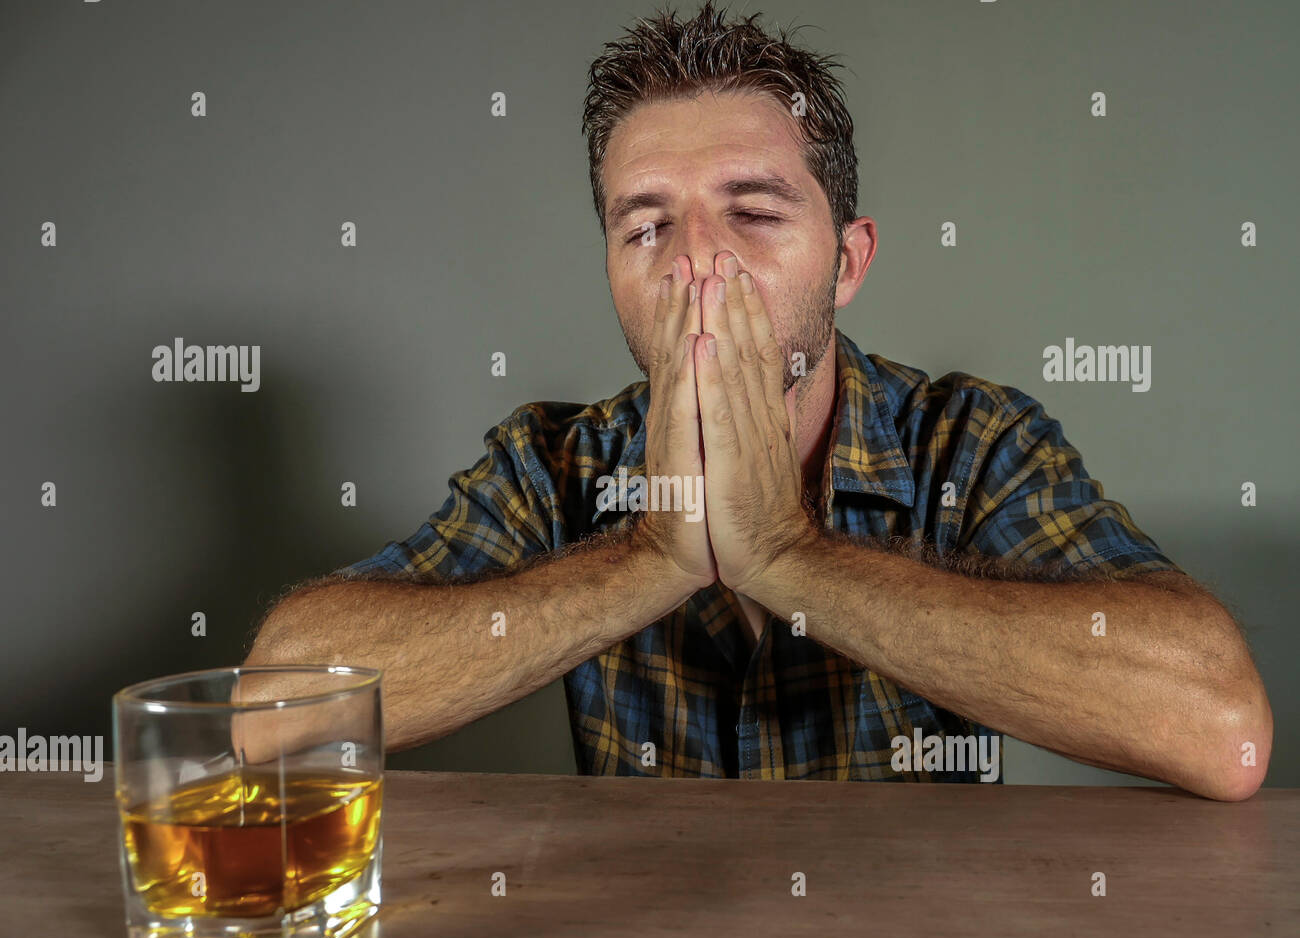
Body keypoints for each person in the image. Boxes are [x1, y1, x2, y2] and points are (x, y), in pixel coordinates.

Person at [245, 2, 1271, 798]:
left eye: (753, 212)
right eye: (645, 225)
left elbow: (1221, 730)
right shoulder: (552, 464)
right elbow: (272, 714)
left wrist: (784, 553)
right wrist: (651, 558)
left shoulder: (970, 444)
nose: (697, 264)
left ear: (847, 260)